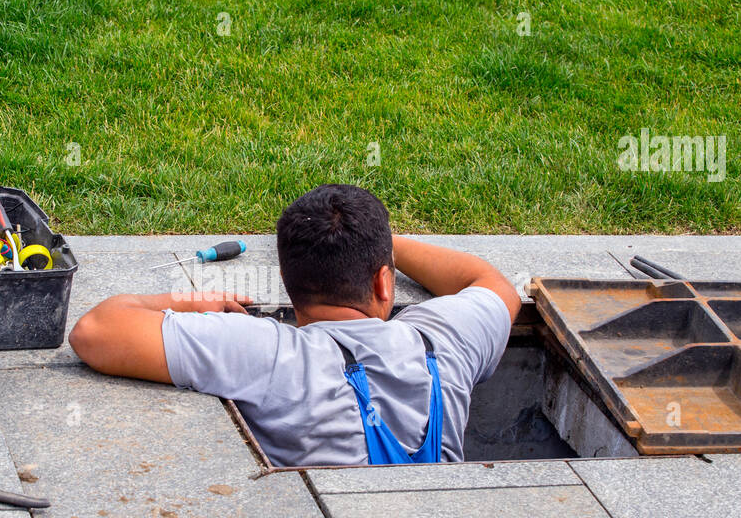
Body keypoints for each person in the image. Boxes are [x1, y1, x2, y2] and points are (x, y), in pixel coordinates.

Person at [68, 184, 521, 466]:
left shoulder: (267, 354)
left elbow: (95, 331)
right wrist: (375, 243)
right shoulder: (444, 339)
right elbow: (491, 283)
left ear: (287, 283)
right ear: (385, 280)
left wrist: (190, 301)